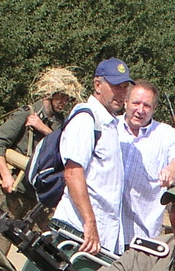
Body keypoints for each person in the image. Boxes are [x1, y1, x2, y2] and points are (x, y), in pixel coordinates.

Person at [52, 57, 133, 256]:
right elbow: (72, 173)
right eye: (116, 87)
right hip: (79, 233)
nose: (121, 94)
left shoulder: (110, 123)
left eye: (124, 87)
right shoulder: (85, 120)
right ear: (98, 85)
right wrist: (90, 222)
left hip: (100, 236)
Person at [0, 66, 81, 221]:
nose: (64, 102)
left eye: (67, 99)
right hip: (13, 191)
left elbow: (65, 148)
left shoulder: (59, 123)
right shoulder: (26, 113)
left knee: (45, 243)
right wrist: (5, 175)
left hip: (38, 195)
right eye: (62, 96)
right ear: (50, 93)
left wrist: (44, 130)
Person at [117, 80, 175, 243]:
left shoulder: (165, 134)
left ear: (154, 109)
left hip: (142, 234)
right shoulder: (110, 127)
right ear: (125, 102)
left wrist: (171, 169)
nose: (140, 110)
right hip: (107, 229)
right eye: (135, 103)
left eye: (147, 105)